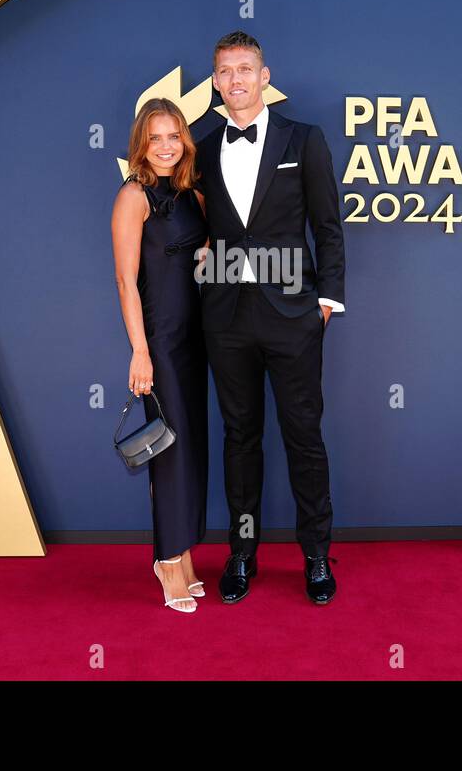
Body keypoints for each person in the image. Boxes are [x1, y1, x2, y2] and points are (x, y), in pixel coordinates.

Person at [195, 31, 346, 605]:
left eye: (245, 69)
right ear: (215, 81)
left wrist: (327, 302)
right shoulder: (203, 149)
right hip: (226, 319)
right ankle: (242, 553)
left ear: (264, 76)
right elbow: (196, 226)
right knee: (240, 439)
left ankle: (315, 557)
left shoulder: (304, 140)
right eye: (225, 71)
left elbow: (328, 227)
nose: (235, 80)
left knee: (303, 436)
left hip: (294, 316)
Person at [110, 98, 209, 613]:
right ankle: (167, 560)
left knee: (192, 446)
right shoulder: (133, 196)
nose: (166, 146)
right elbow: (126, 282)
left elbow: (202, 258)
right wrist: (140, 351)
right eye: (156, 138)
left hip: (197, 338)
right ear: (141, 145)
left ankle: (184, 551)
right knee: (169, 451)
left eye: (174, 136)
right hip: (161, 342)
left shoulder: (191, 193)